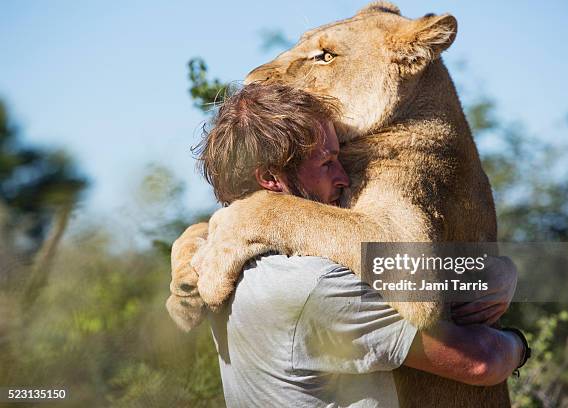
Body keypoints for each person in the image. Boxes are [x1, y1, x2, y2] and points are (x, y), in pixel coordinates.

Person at [188, 83, 526, 407]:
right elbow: (481, 361)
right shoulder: (314, 285)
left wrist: (496, 273)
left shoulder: (225, 267)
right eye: (326, 162)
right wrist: (518, 344)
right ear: (270, 178)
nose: (343, 177)